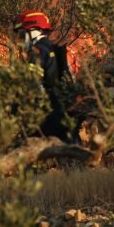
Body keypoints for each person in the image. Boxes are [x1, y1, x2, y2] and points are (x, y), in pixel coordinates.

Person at [13, 10, 73, 143]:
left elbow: (32, 83)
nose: (20, 41)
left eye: (22, 35)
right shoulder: (52, 48)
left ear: (31, 32)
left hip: (50, 112)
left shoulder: (37, 52)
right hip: (63, 108)